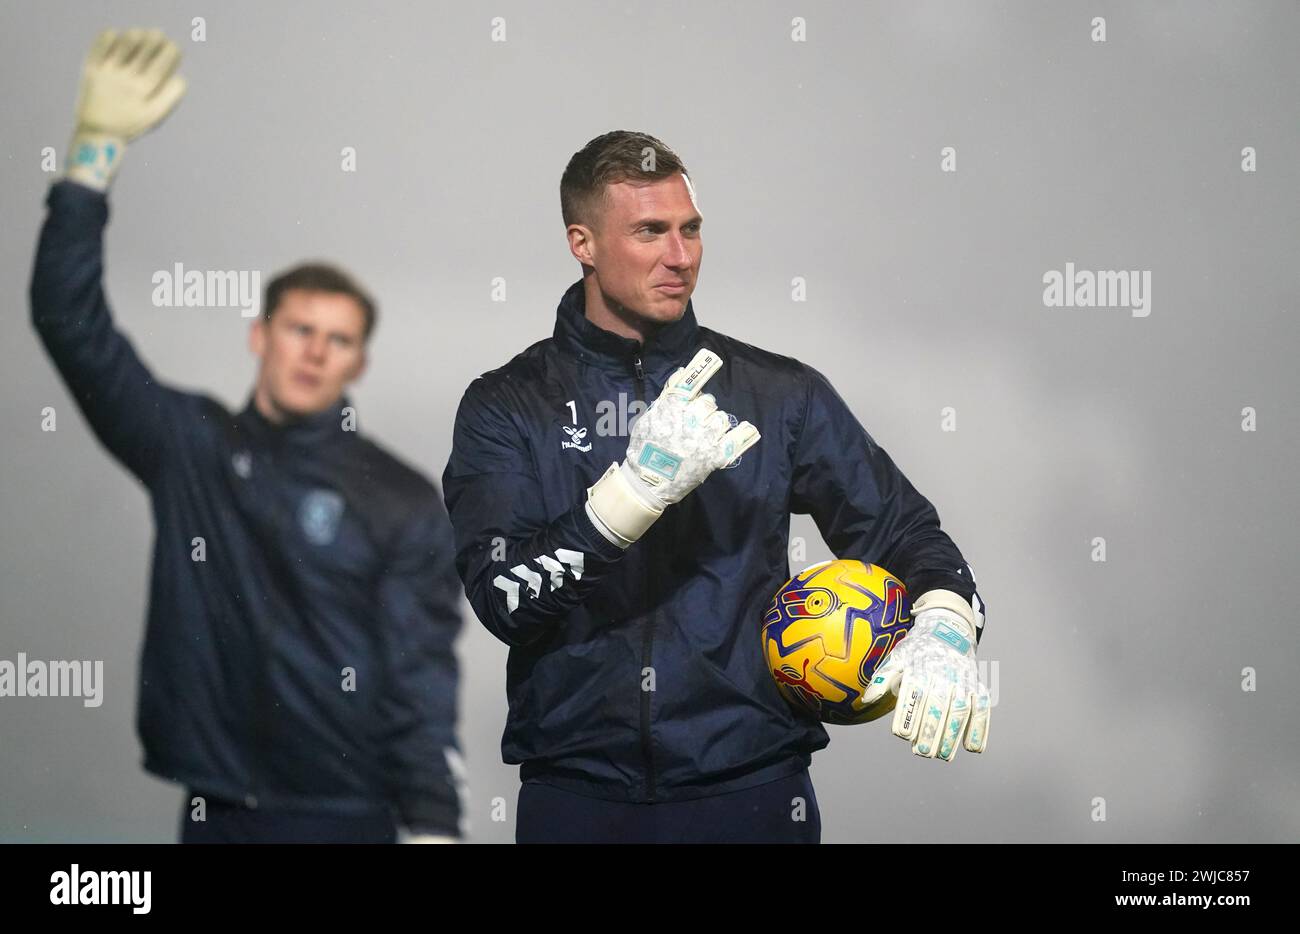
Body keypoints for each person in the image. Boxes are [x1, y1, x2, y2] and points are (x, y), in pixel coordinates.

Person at [442, 130, 991, 844]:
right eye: (649, 232)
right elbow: (503, 599)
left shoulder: (779, 394)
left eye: (690, 230)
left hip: (754, 793)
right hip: (577, 798)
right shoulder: (507, 404)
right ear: (583, 243)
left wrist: (946, 624)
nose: (681, 257)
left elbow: (905, 532)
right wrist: (632, 495)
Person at [30, 28, 465, 843]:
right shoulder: (187, 445)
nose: (314, 351)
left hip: (350, 816)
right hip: (219, 810)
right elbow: (69, 323)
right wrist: (91, 161)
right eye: (299, 328)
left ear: (358, 362)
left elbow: (419, 674)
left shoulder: (402, 500)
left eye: (336, 339)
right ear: (258, 335)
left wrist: (434, 826)